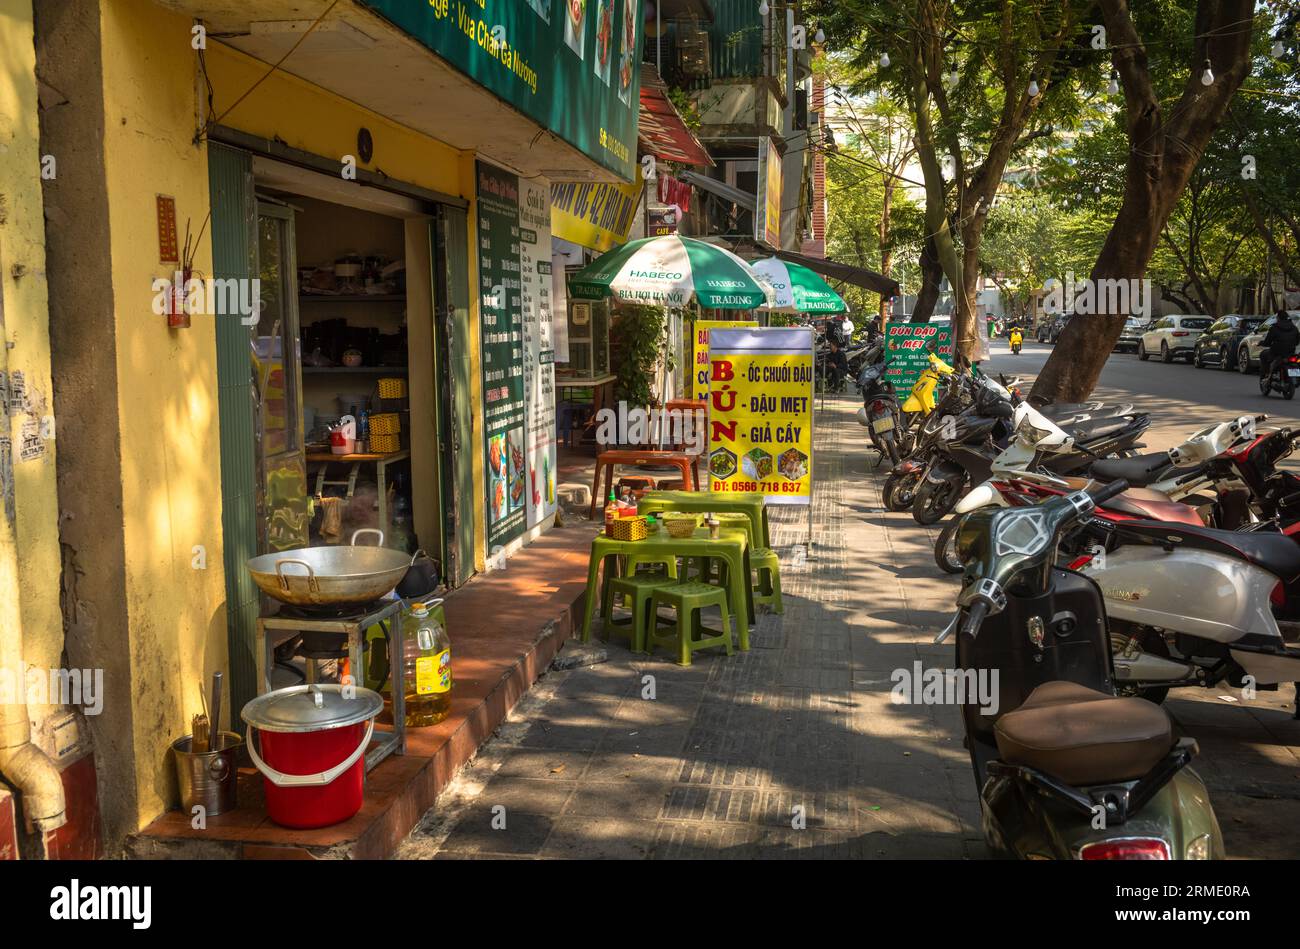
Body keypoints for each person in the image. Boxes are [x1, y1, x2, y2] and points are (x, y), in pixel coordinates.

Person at [1260, 310, 1299, 380]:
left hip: (1276, 353)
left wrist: (1261, 343)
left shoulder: (1274, 328)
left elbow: (1267, 342)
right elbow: (1297, 341)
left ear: (1278, 318)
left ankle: (1266, 374)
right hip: (1290, 352)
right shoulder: (1294, 328)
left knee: (1263, 354)